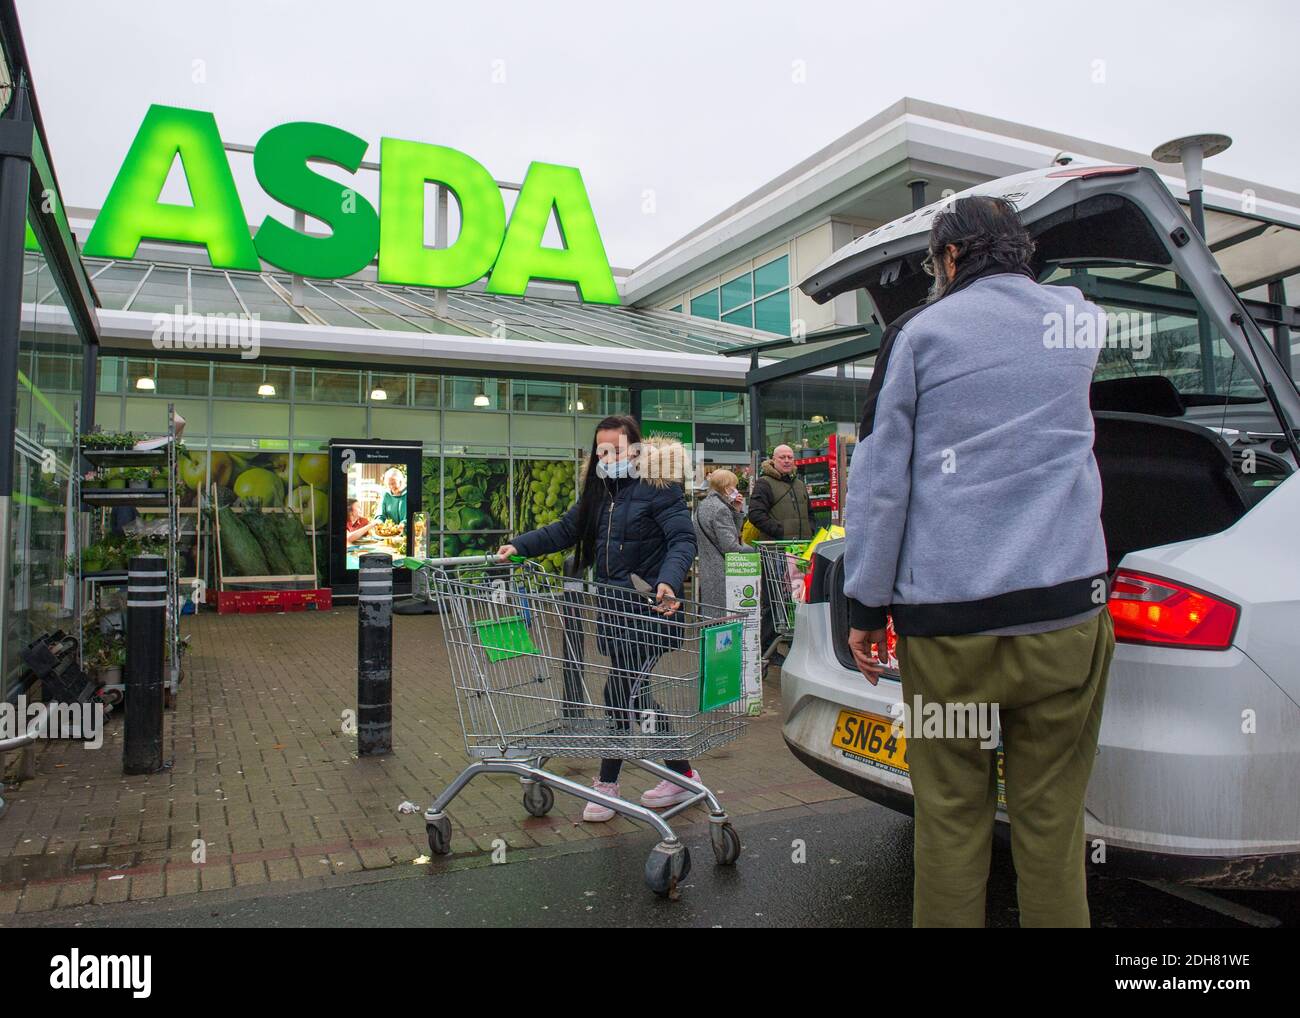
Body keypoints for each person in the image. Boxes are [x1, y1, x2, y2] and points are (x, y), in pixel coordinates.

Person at [842, 194, 1115, 928]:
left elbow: (881, 485)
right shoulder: (1078, 322)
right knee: (1053, 825)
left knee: (952, 819)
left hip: (948, 637)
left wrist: (865, 607)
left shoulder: (919, 336)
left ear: (952, 258)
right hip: (1064, 622)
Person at [498, 414, 700, 821]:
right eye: (601, 449)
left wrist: (669, 581)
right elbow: (565, 530)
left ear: (637, 449)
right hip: (613, 611)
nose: (608, 456)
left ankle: (607, 786)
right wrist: (518, 546)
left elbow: (682, 539)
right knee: (635, 693)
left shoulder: (659, 489)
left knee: (617, 692)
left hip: (652, 608)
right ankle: (682, 775)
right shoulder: (599, 492)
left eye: (617, 449)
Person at [746, 443, 816, 656]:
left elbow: (810, 513)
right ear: (773, 460)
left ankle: (794, 645)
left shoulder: (799, 484)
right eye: (782, 457)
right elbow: (755, 514)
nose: (787, 461)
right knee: (773, 600)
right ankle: (767, 647)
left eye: (790, 457)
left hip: (800, 552)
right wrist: (781, 530)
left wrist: (812, 531)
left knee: (796, 600)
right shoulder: (764, 484)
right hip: (776, 551)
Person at [693, 468, 751, 611]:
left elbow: (726, 535)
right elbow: (730, 546)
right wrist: (752, 551)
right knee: (723, 619)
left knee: (710, 619)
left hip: (707, 569)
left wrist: (737, 511)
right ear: (727, 488)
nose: (736, 490)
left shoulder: (703, 505)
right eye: (734, 486)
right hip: (722, 573)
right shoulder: (721, 509)